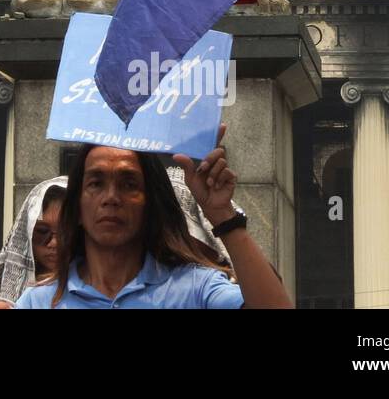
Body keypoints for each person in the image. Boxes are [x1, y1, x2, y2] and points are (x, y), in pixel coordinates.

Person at [16, 126, 291, 308]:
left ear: (151, 204)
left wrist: (223, 216)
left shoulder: (196, 288)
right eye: (96, 183)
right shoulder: (38, 302)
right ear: (76, 208)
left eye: (129, 184)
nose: (111, 197)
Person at [0, 178, 67, 307]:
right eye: (42, 232)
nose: (54, 243)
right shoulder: (0, 304)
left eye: (65, 233)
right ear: (26, 235)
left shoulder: (100, 294)